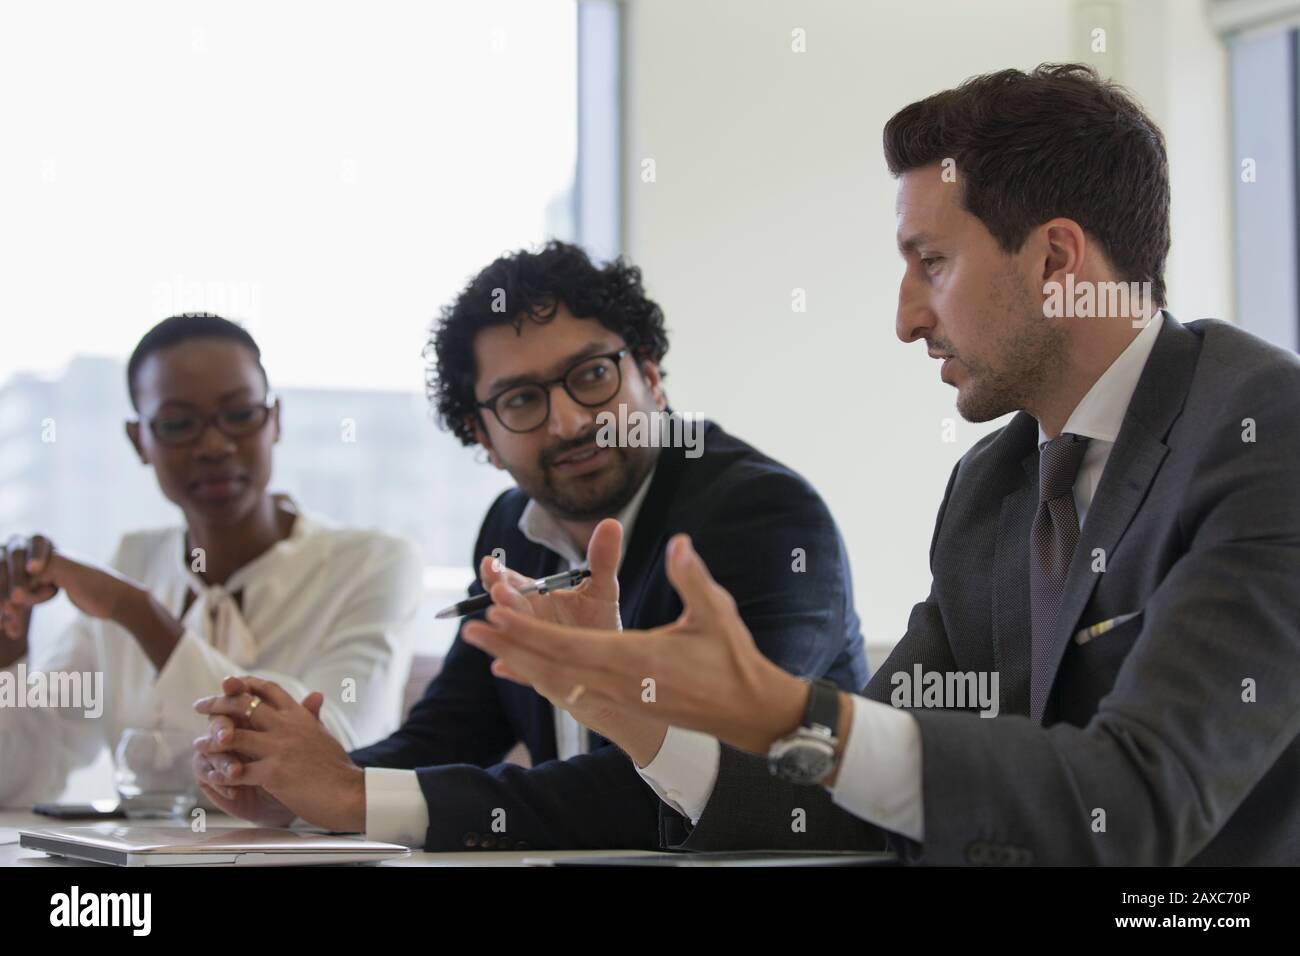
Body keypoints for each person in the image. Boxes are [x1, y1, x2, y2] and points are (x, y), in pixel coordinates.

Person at [462, 65, 1300, 865]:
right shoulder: (991, 488)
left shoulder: (1264, 436)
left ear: (1055, 262)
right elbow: (858, 785)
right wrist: (629, 709)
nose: (906, 319)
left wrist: (793, 712)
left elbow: (1140, 802)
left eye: (930, 262)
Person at [191, 241, 869, 851]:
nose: (570, 422)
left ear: (651, 376)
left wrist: (354, 798)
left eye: (593, 376)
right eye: (520, 401)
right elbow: (453, 729)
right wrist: (296, 783)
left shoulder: (765, 517)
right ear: (482, 437)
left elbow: (701, 771)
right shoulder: (512, 527)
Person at [0, 313, 422, 807]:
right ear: (140, 442)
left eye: (240, 414)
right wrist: (8, 654)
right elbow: (19, 780)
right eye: (179, 424)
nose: (215, 445)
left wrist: (137, 612)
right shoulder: (132, 560)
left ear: (276, 421)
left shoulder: (374, 564)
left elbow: (335, 752)